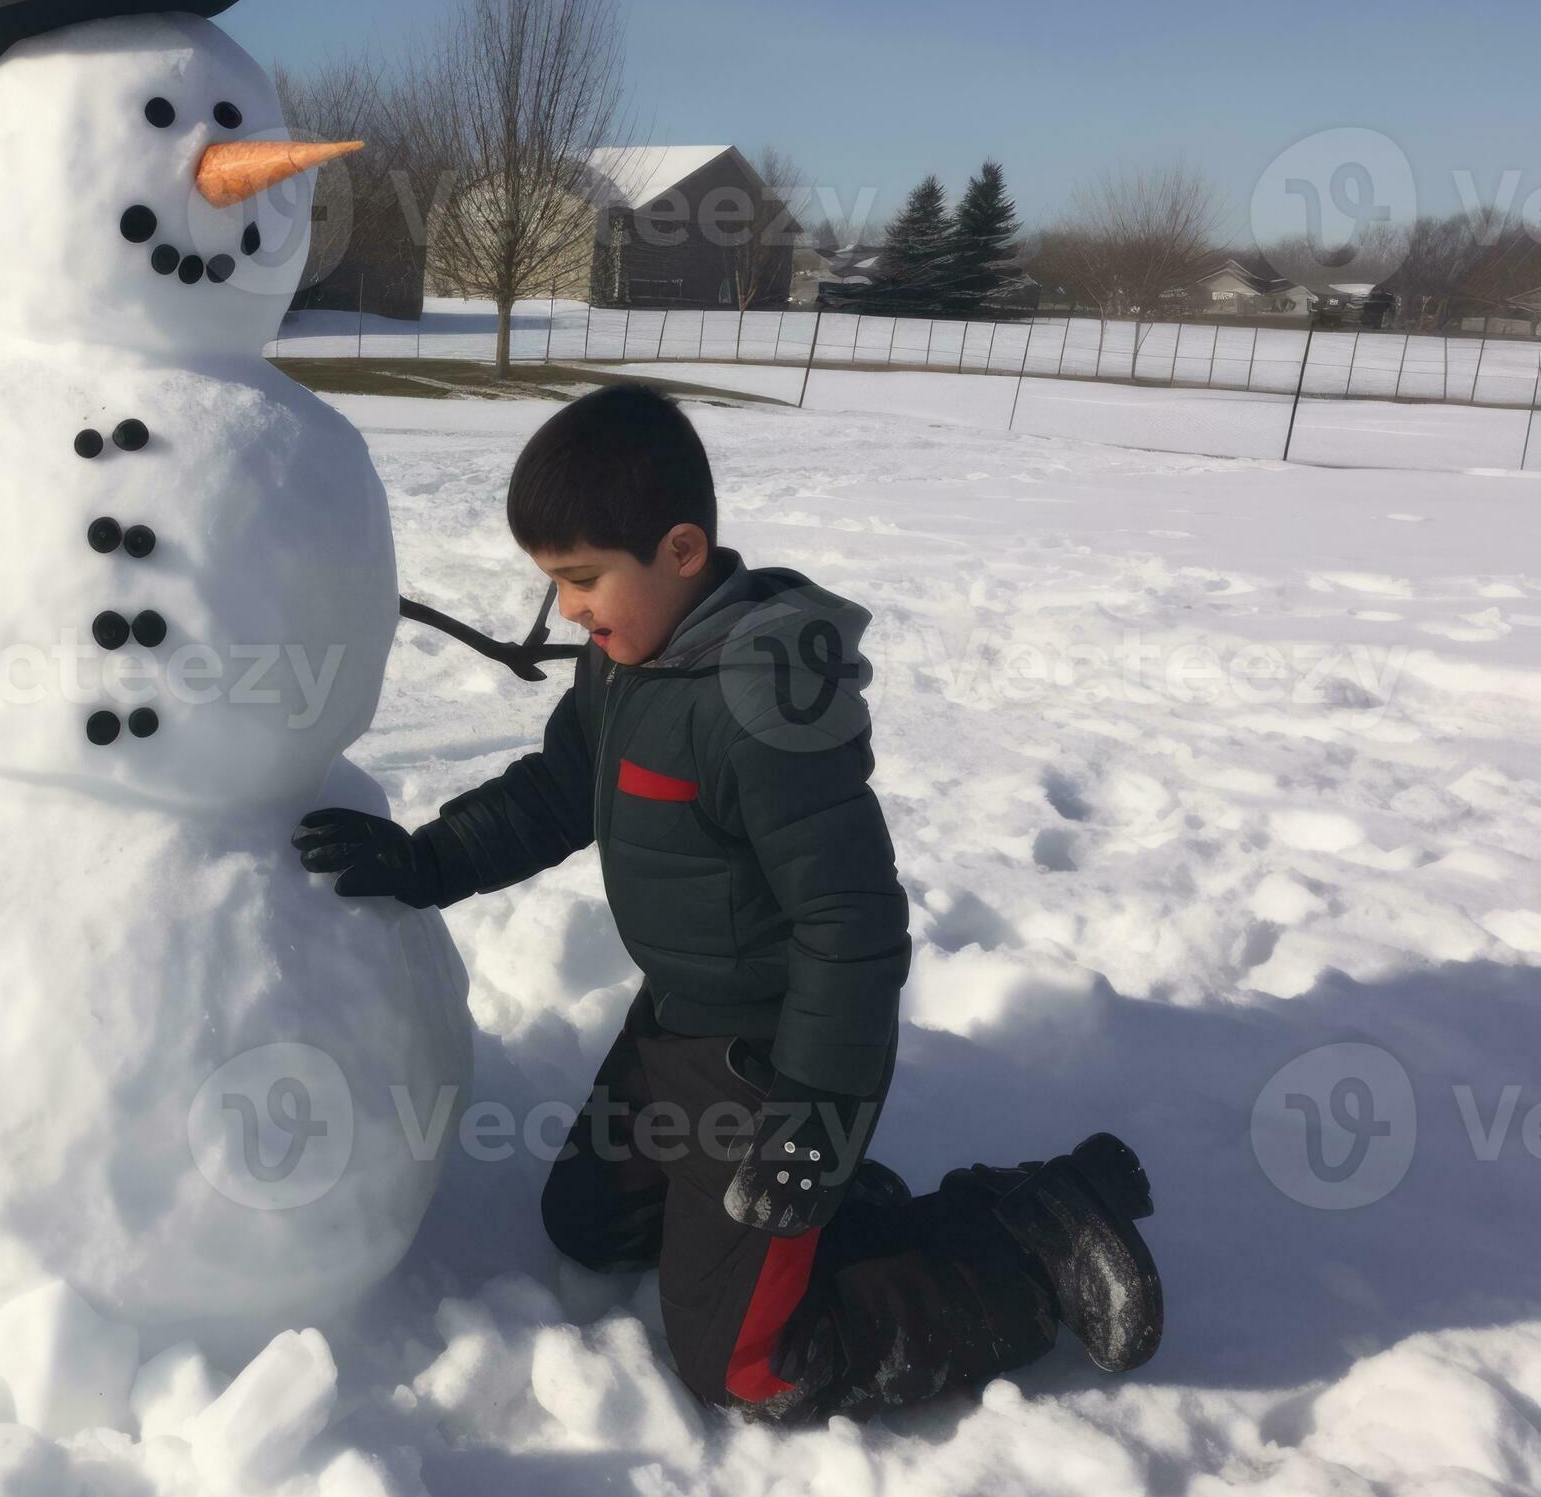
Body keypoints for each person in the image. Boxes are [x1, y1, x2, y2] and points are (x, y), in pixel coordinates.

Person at [293, 386, 1164, 1423]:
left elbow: (852, 925)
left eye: (581, 579)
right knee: (588, 1221)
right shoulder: (622, 669)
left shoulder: (760, 709)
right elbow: (557, 791)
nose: (567, 610)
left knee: (752, 1365)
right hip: (677, 1024)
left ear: (680, 549)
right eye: (553, 585)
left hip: (774, 1067)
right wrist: (423, 860)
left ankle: (1021, 1249)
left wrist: (816, 1117)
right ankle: (826, 1225)